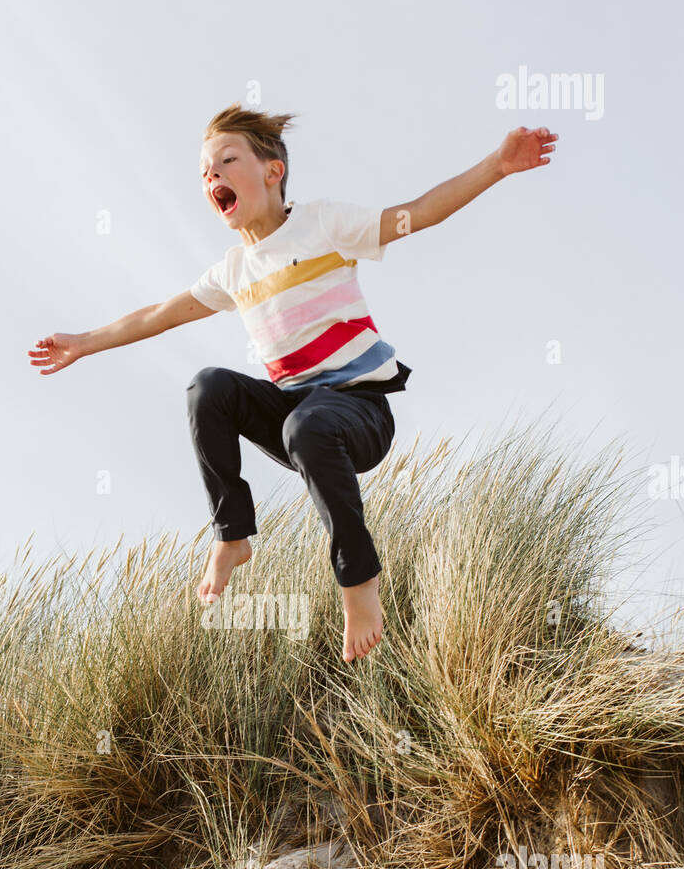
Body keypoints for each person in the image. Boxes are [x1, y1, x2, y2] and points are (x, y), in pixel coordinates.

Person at [28, 105, 557, 661]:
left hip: (359, 413)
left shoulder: (323, 225)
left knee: (309, 423)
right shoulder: (233, 271)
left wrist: (497, 165)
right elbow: (160, 314)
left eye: (227, 162)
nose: (213, 177)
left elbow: (418, 213)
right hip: (292, 412)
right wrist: (84, 342)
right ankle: (233, 535)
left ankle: (359, 583)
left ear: (273, 171)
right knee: (208, 387)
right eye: (206, 173)